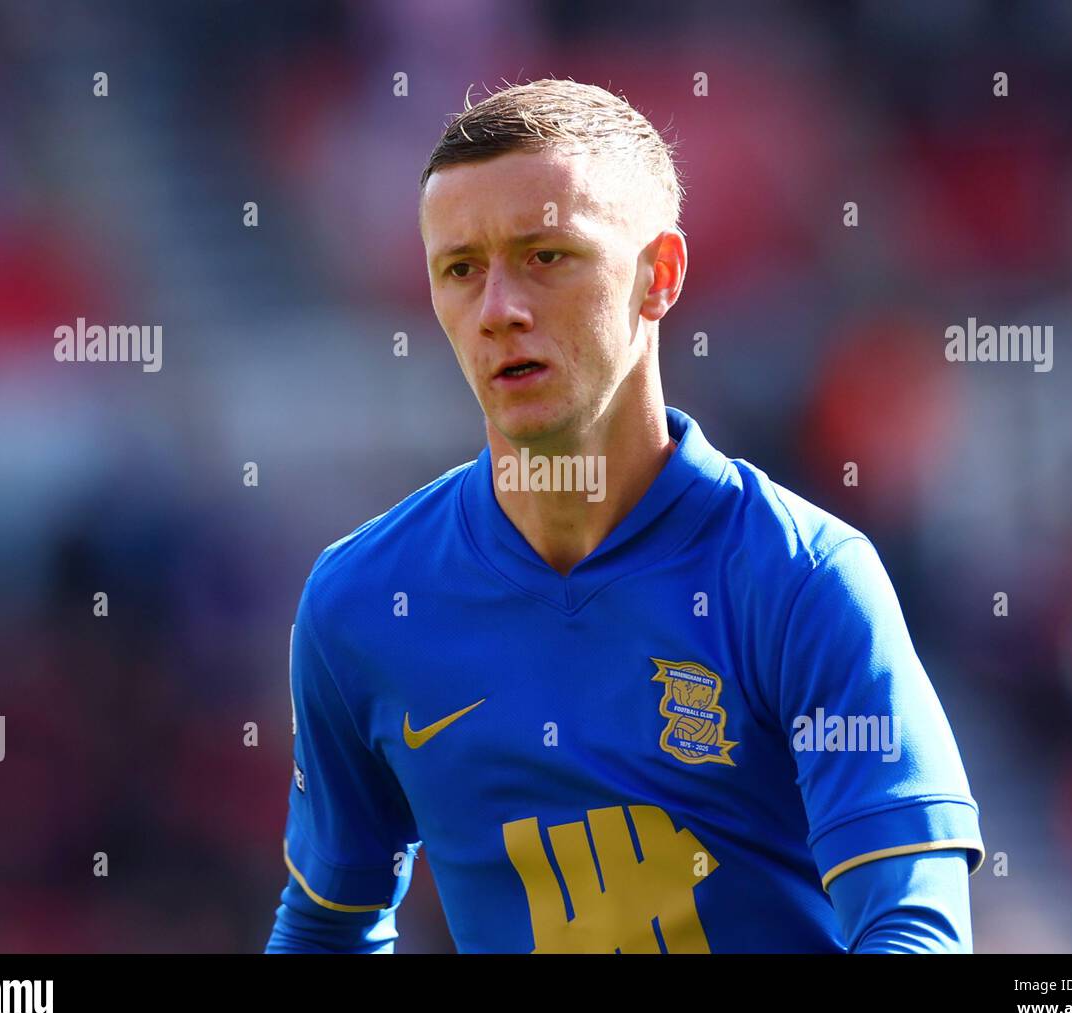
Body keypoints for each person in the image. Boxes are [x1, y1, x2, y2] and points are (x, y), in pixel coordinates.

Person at [265, 79, 983, 953]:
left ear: (660, 275)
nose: (500, 310)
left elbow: (912, 929)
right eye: (461, 269)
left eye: (547, 255)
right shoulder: (362, 603)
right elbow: (326, 926)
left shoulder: (800, 580)